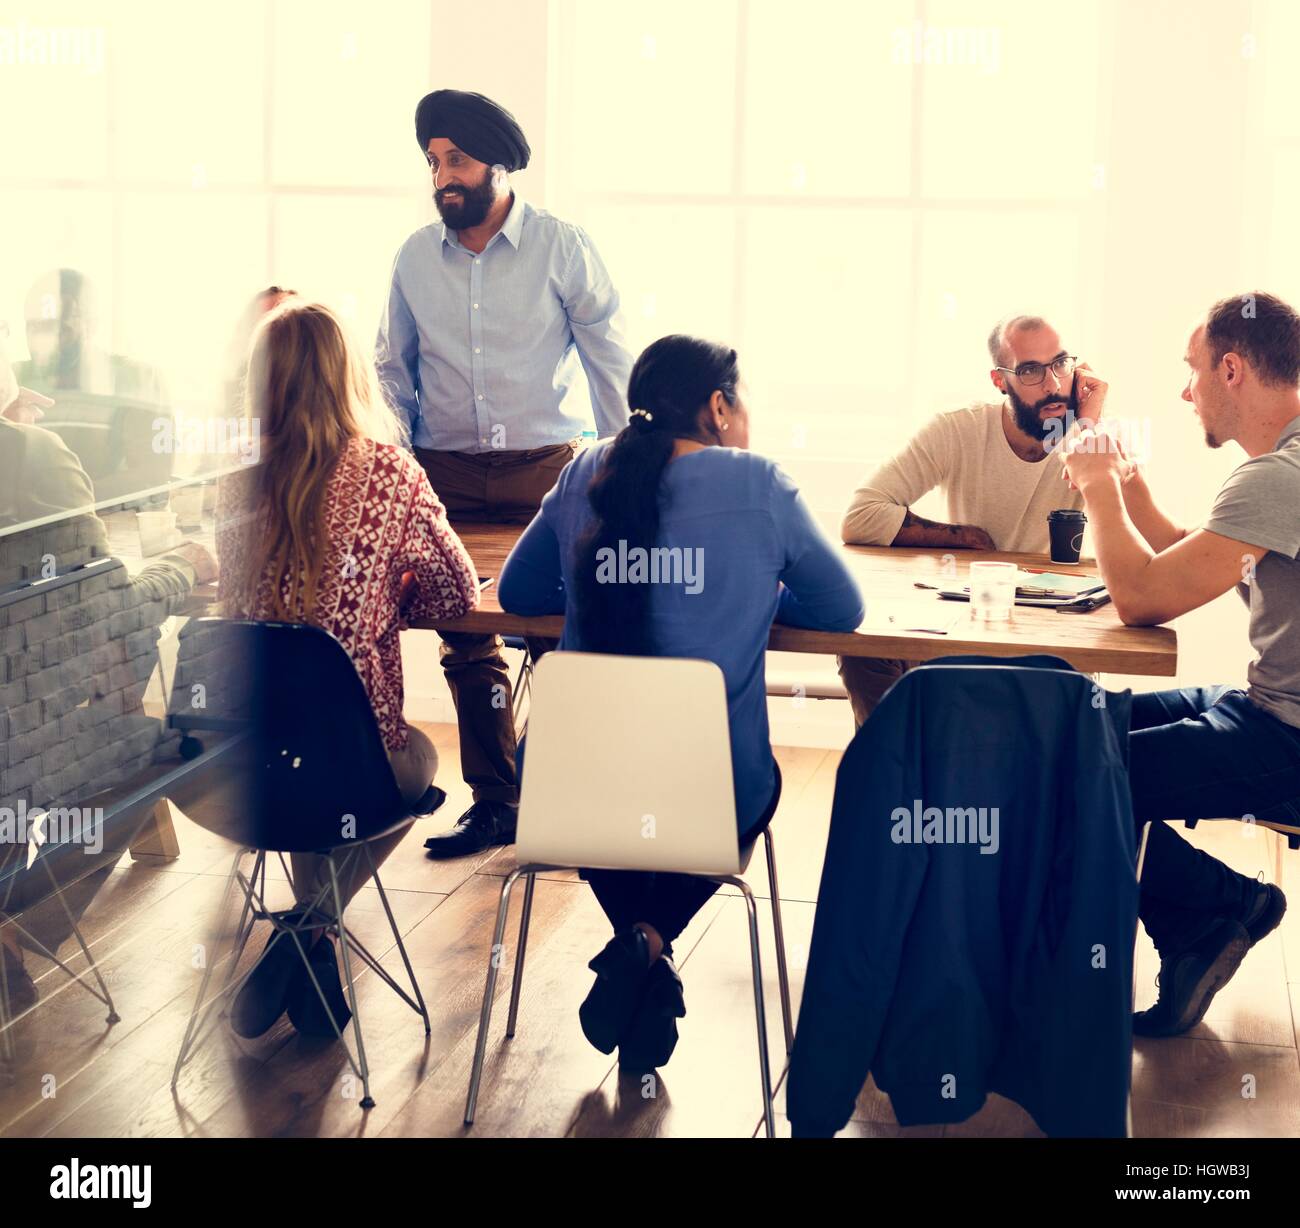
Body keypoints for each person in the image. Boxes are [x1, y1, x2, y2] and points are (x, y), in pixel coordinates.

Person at [497, 335, 864, 1071]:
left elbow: (517, 595)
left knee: (616, 818)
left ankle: (641, 948)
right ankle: (649, 944)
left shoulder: (583, 473)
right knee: (729, 796)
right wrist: (762, 589)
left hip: (569, 789)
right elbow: (842, 607)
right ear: (720, 406)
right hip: (711, 792)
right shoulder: (759, 484)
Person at [377, 88, 633, 860]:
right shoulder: (416, 256)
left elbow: (610, 362)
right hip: (444, 475)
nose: (442, 176)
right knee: (465, 635)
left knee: (554, 631)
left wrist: (628, 471)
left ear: (498, 163)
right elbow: (393, 372)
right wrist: (390, 460)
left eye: (455, 159)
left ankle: (557, 799)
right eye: (432, 161)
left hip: (545, 473)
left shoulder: (563, 246)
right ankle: (498, 801)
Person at [218, 299, 480, 1038]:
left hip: (243, 769)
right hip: (347, 765)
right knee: (419, 759)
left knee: (308, 763)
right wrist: (390, 595)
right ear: (348, 377)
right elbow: (457, 591)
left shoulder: (233, 478)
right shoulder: (389, 473)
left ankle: (307, 935)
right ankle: (311, 929)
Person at [1060, 291, 1300, 1036]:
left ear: (1232, 369)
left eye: (1192, 371)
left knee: (1079, 778)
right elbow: (1194, 559)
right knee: (1078, 728)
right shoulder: (1283, 467)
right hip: (1265, 707)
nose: (1184, 390)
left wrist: (1096, 486)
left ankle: (1219, 906)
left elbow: (1142, 597)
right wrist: (1126, 482)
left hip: (1287, 735)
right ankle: (1207, 912)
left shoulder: (1279, 477)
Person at [838, 315, 1098, 722]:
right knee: (862, 653)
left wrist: (1088, 430)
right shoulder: (959, 429)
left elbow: (1145, 545)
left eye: (1061, 365)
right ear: (1000, 381)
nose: (1052, 385)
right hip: (964, 623)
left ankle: (954, 766)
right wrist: (964, 537)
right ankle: (902, 769)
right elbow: (861, 515)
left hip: (1049, 631)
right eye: (1030, 370)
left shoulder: (1091, 439)